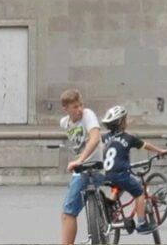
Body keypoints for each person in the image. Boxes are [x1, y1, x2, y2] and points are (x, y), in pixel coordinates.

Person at [99, 106, 167, 234]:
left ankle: (111, 202)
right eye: (125, 119)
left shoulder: (104, 138)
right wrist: (160, 151)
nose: (127, 121)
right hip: (121, 174)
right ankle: (142, 224)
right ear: (121, 123)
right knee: (139, 193)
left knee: (118, 186)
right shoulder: (128, 138)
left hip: (107, 174)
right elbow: (145, 145)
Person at [58, 89, 103, 245]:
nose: (80, 109)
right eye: (75, 107)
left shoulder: (88, 115)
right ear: (66, 109)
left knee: (67, 214)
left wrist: (80, 160)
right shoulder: (64, 123)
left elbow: (95, 138)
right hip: (81, 169)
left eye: (81, 105)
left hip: (92, 167)